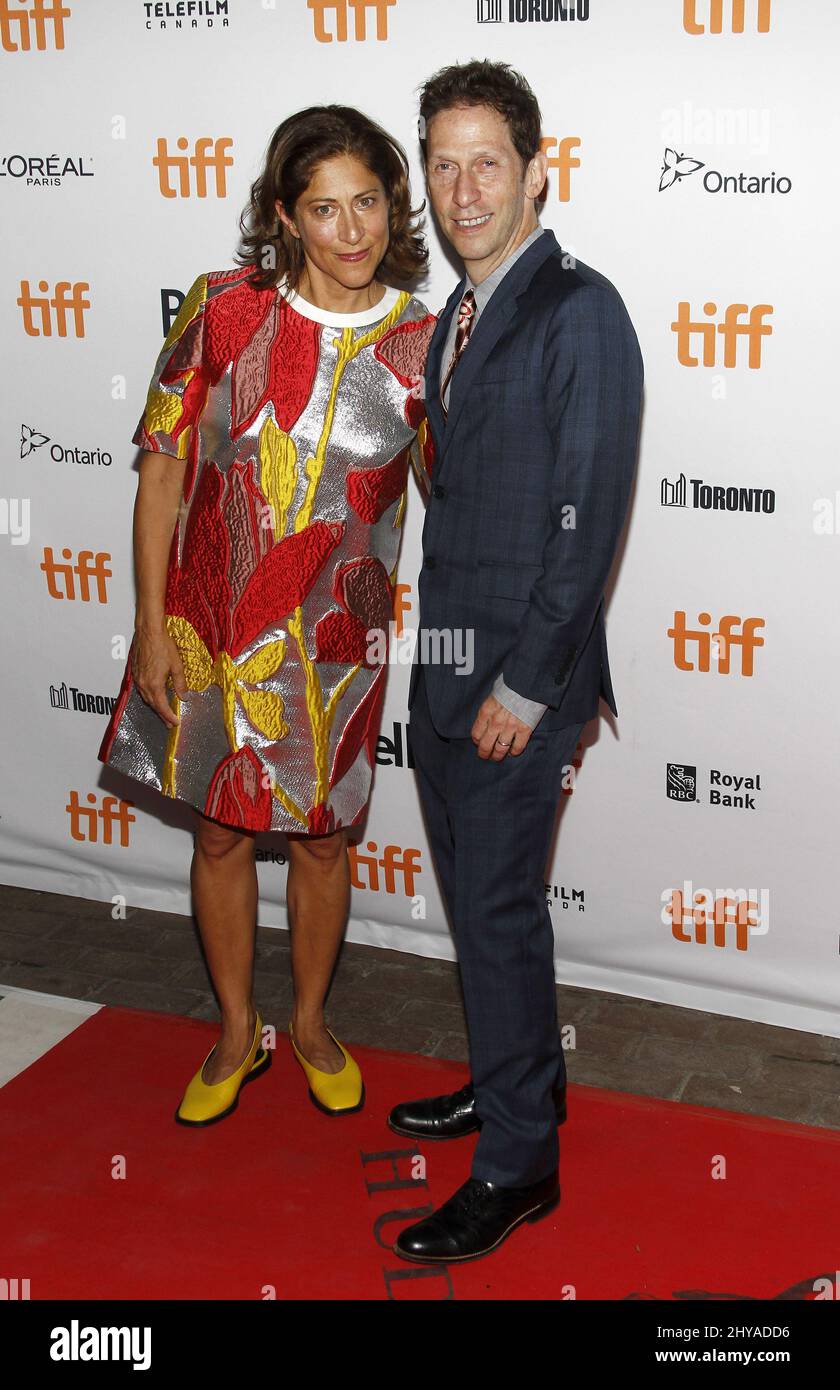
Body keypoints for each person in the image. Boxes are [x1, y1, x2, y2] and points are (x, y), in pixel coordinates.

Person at [98, 106, 436, 1127]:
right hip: (213, 630)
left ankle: (315, 1024)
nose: (350, 229)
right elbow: (162, 479)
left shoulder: (423, 343)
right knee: (216, 838)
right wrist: (152, 627)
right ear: (284, 216)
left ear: (393, 203)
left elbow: (458, 496)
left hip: (337, 646)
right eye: (323, 208)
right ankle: (237, 1030)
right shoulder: (222, 311)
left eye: (368, 201)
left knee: (326, 842)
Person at [389, 61, 644, 1263]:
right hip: (445, 666)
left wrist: (526, 686)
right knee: (487, 915)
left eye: (486, 159)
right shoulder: (458, 309)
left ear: (539, 171)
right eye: (441, 161)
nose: (461, 184)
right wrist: (437, 671)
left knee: (492, 913)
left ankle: (516, 1168)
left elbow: (584, 524)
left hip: (513, 689)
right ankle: (513, 1088)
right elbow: (458, 512)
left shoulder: (578, 310)